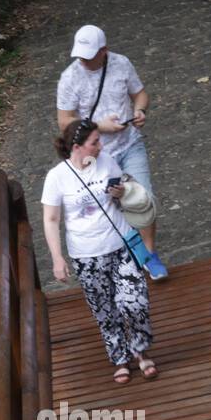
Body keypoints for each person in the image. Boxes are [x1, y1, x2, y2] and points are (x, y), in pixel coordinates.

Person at [41, 118, 156, 384]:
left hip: (120, 242)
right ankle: (120, 358)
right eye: (94, 142)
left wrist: (120, 192)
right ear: (77, 146)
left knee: (134, 301)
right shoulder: (57, 178)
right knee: (104, 309)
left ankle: (140, 350)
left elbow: (121, 192)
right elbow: (51, 220)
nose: (100, 146)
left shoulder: (106, 161)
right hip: (86, 253)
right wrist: (57, 258)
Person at [56, 25, 166, 276]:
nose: (83, 59)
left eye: (89, 54)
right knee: (107, 207)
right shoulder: (70, 78)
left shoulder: (121, 64)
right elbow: (64, 121)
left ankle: (149, 255)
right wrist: (98, 126)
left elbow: (140, 95)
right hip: (96, 153)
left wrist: (140, 111)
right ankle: (122, 257)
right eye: (80, 54)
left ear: (104, 50)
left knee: (142, 198)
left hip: (129, 144)